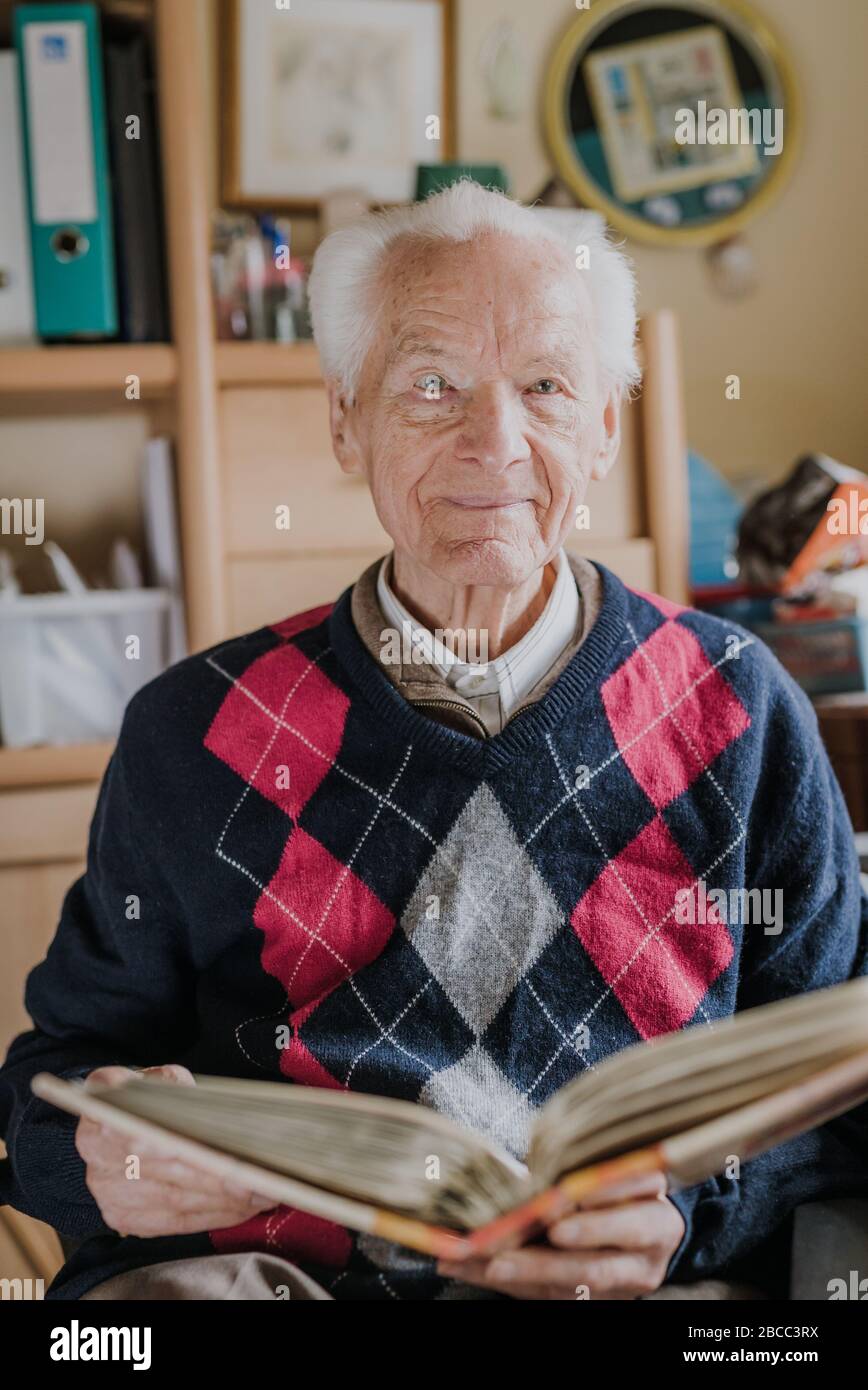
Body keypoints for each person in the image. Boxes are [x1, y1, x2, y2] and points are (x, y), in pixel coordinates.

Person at [2, 182, 866, 1301]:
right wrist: (102, 1163)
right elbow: (43, 1093)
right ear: (345, 421)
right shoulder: (192, 732)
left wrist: (692, 1213)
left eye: (545, 387)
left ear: (604, 426)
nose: (492, 442)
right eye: (431, 385)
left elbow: (842, 1101)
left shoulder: (739, 708)